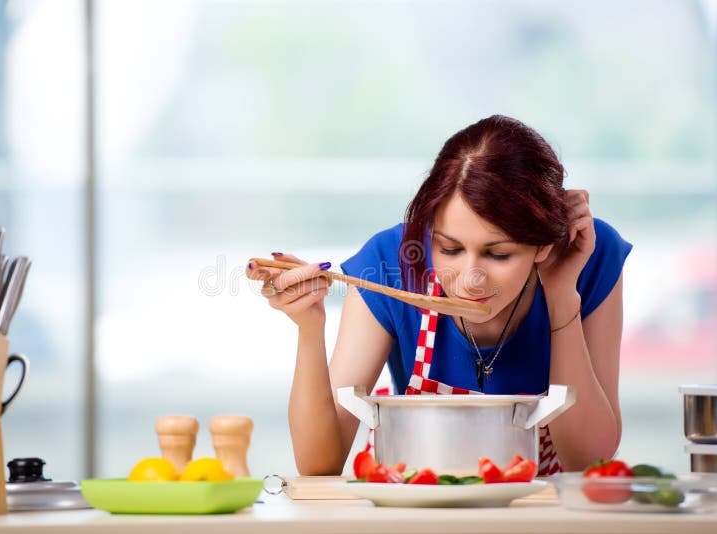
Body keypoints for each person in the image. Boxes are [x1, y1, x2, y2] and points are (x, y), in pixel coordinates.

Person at [246, 115, 631, 475]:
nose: (470, 279)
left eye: (499, 254)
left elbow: (588, 461)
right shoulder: (389, 263)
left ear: (543, 246)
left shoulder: (588, 258)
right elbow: (318, 464)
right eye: (448, 248)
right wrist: (310, 328)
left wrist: (562, 292)